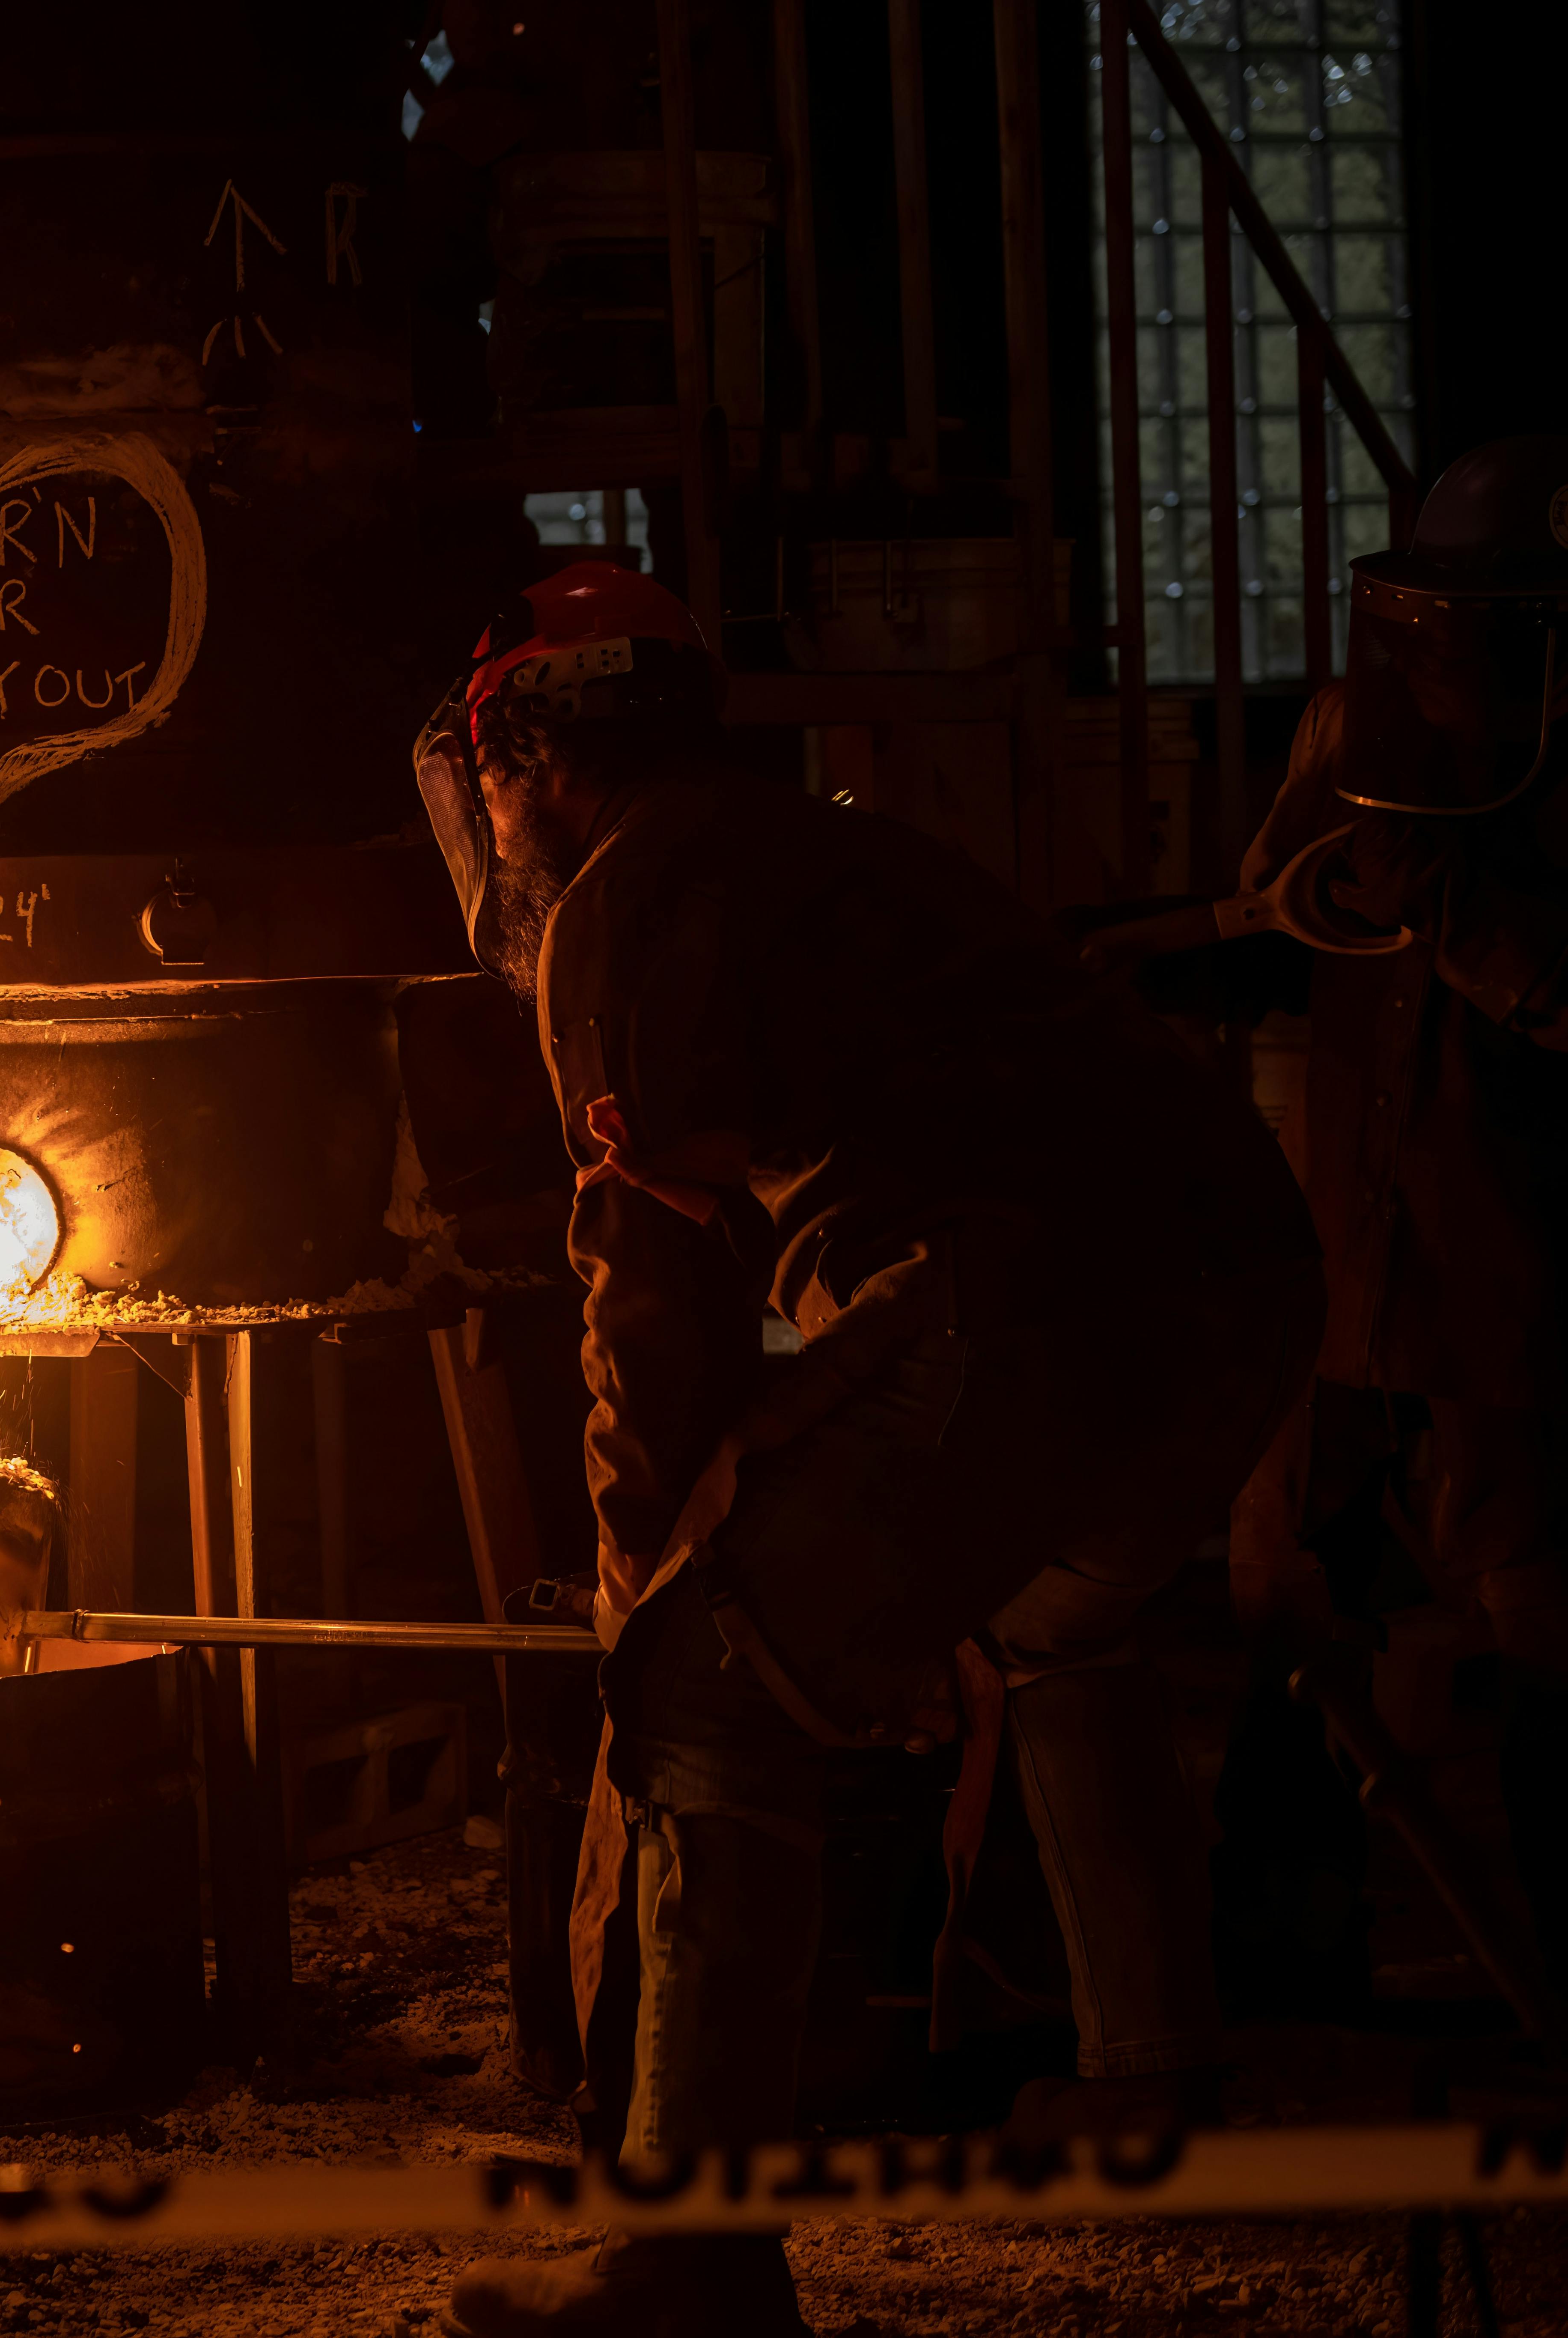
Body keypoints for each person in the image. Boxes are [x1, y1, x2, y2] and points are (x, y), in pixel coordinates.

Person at [413, 563, 1321, 2338]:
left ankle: (684, 2248)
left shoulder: (617, 893)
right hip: (1234, 1286)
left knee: (705, 1680)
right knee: (1054, 1625)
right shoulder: (806, 847)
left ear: (515, 753)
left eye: (494, 777)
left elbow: (647, 1300)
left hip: (1032, 1301)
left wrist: (642, 1573)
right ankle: (1146, 2064)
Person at [1224, 436, 1568, 1989]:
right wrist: (1343, 859)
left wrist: (1438, 885)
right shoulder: (1361, 729)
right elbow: (1266, 893)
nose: (1455, 655)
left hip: (1510, 1278)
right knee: (1284, 1602)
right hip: (1348, 1259)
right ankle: (1289, 1969)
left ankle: (1552, 1982)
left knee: (1541, 1620)